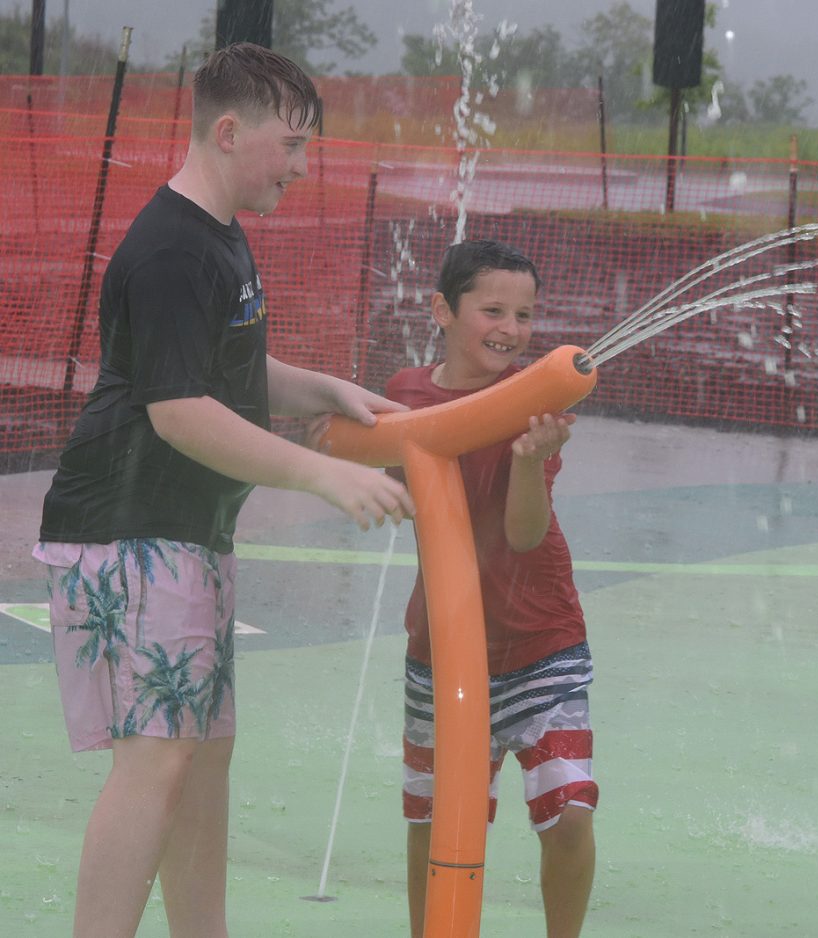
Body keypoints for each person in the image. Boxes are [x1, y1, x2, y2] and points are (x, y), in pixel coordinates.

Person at [33, 43, 415, 938]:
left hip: (184, 533)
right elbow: (180, 412)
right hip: (130, 530)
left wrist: (324, 390)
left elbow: (226, 368)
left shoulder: (216, 234)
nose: (300, 166)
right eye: (290, 146)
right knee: (157, 764)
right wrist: (321, 471)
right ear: (229, 130)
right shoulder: (170, 249)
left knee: (202, 761)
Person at [387, 240, 597, 938]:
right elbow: (394, 491)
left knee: (568, 815)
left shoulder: (534, 398)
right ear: (444, 310)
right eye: (494, 310)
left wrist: (531, 460)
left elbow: (525, 534)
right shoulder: (405, 395)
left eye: (527, 315)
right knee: (438, 821)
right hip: (443, 645)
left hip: (541, 638)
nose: (511, 329)